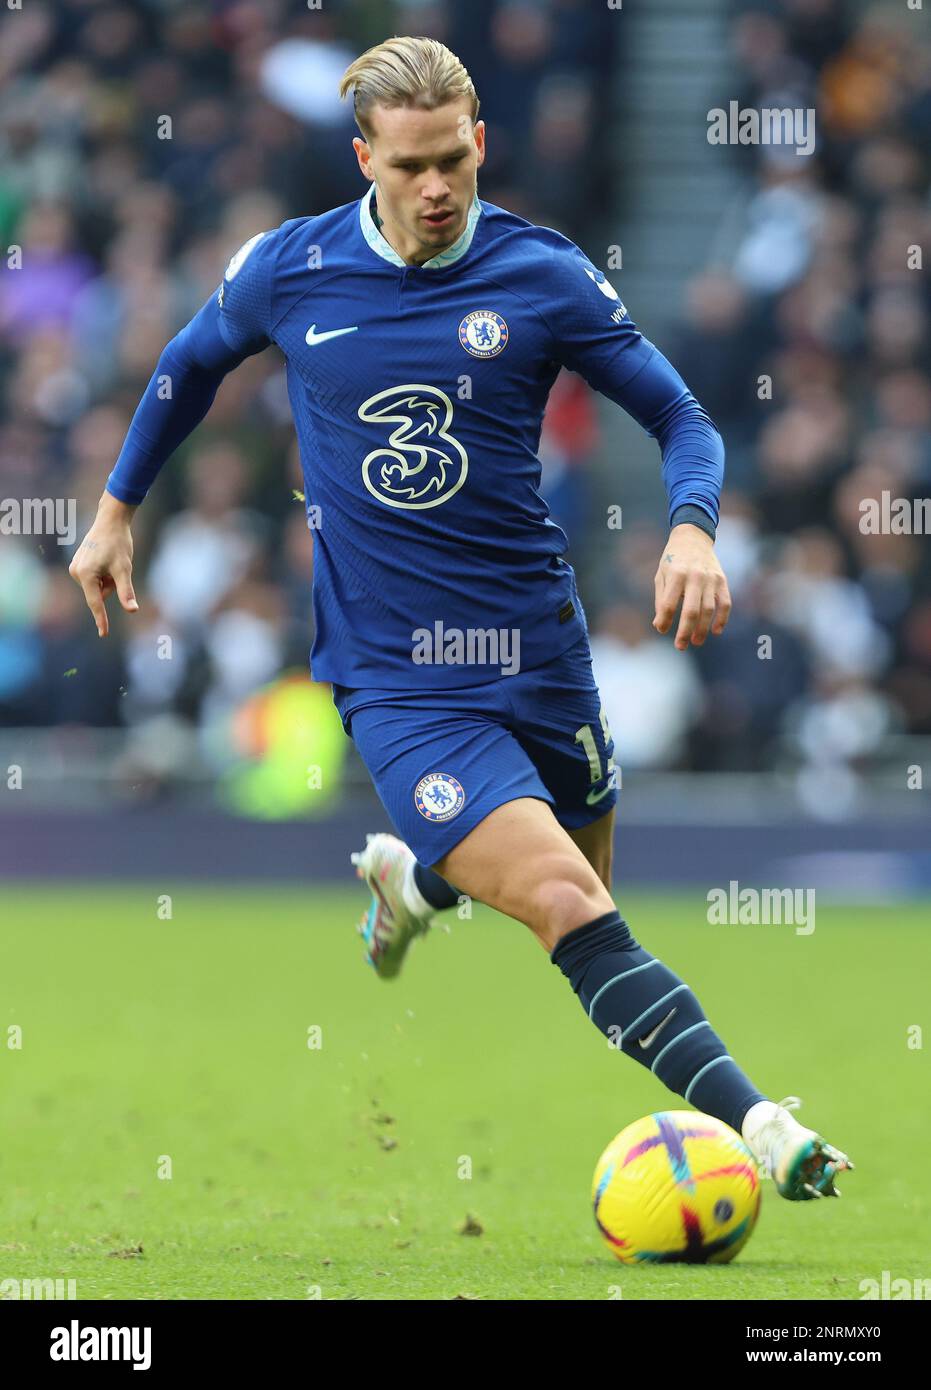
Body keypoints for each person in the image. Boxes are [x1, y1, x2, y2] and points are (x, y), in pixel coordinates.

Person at [70, 36, 851, 1209]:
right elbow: (186, 367)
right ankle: (762, 1123)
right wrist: (116, 509)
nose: (435, 189)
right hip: (397, 681)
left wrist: (691, 525)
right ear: (364, 158)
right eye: (409, 167)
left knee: (575, 886)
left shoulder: (544, 276)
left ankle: (413, 886)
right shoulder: (292, 268)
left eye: (453, 161)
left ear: (480, 141)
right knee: (570, 909)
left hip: (541, 653)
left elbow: (682, 414)